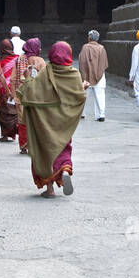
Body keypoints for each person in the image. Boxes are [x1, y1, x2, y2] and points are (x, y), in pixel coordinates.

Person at [17, 41, 87, 197]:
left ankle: (49, 190)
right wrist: (84, 88)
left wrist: (27, 78)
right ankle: (65, 170)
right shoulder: (74, 74)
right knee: (63, 148)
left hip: (44, 124)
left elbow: (27, 95)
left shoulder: (45, 73)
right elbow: (79, 96)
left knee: (45, 152)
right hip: (63, 124)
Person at [10, 37, 47, 154]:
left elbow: (12, 78)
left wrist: (13, 94)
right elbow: (45, 80)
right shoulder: (40, 61)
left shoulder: (19, 59)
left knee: (22, 121)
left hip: (21, 96)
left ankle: (23, 146)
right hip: (36, 97)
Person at [78, 30, 109, 121]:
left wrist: (84, 75)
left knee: (84, 95)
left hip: (86, 76)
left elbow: (82, 62)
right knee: (100, 96)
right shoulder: (101, 48)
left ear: (89, 37)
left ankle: (82, 113)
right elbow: (105, 64)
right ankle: (101, 115)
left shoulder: (85, 47)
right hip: (99, 76)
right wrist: (98, 73)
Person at [0, 38, 19, 142]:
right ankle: (15, 130)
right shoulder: (18, 59)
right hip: (16, 89)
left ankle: (5, 135)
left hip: (3, 91)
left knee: (3, 113)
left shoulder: (0, 62)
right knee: (15, 111)